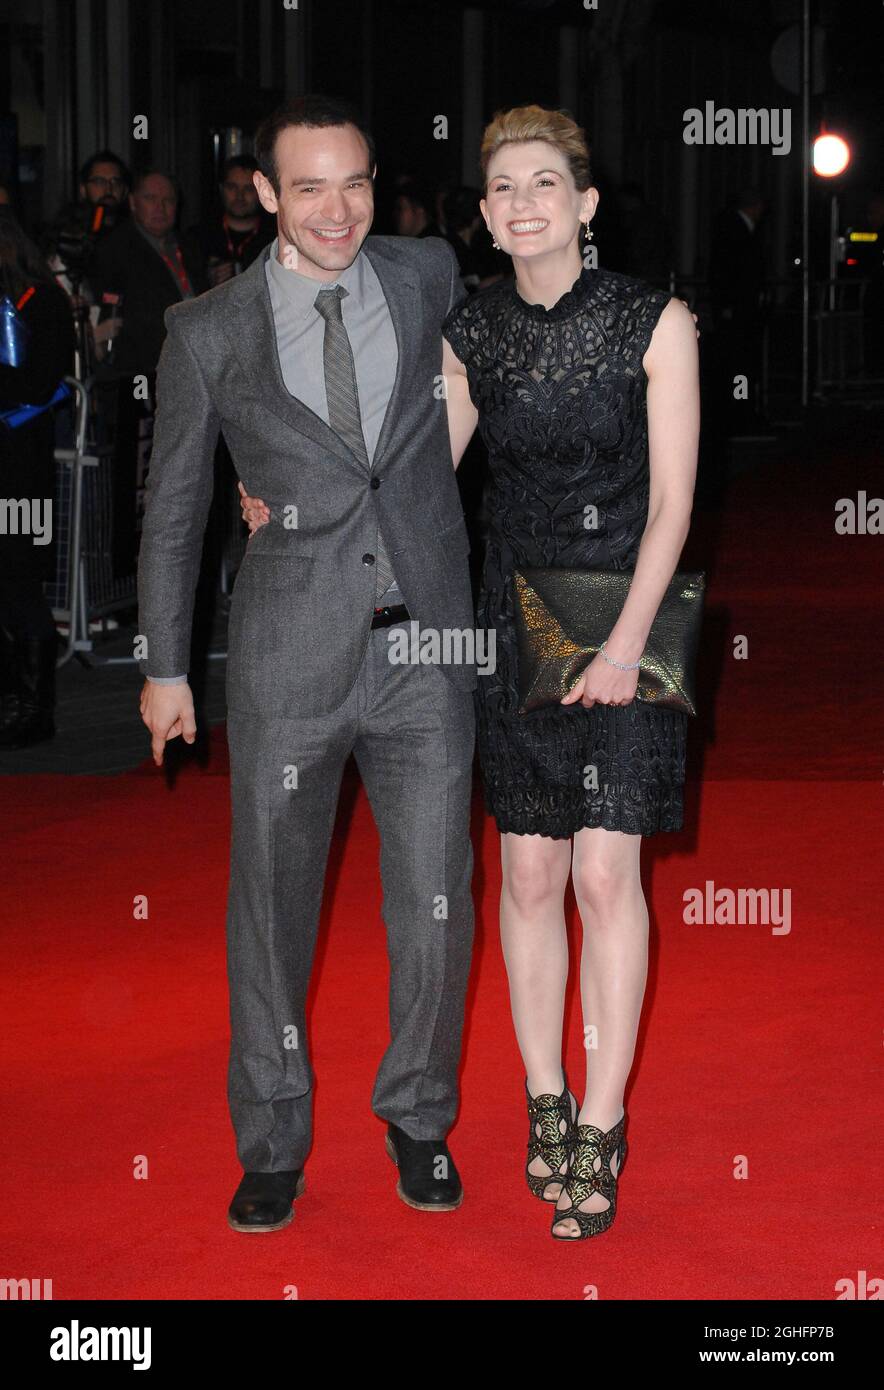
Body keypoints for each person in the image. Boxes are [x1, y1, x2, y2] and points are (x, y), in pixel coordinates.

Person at [240, 104, 700, 1242]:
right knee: (531, 881)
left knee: (605, 880)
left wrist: (625, 643)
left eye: (546, 182)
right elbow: (407, 477)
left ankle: (600, 1119)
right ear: (485, 216)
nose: (525, 201)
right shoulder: (470, 331)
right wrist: (282, 504)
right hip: (508, 626)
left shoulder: (656, 320)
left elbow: (679, 504)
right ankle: (541, 1097)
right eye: (503, 187)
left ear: (584, 205)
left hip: (627, 621)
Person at [137, 94, 477, 1234]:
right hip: (287, 654)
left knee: (435, 903)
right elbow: (175, 508)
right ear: (267, 195)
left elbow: (491, 369)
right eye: (311, 187)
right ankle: (273, 1136)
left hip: (424, 646)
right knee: (270, 911)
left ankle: (419, 1118)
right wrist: (166, 666)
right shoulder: (207, 331)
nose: (338, 211)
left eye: (357, 183)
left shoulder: (428, 271)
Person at [0, 210, 76, 749]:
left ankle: (34, 706)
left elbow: (39, 381)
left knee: (17, 576)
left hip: (19, 466)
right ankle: (15, 698)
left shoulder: (41, 301)